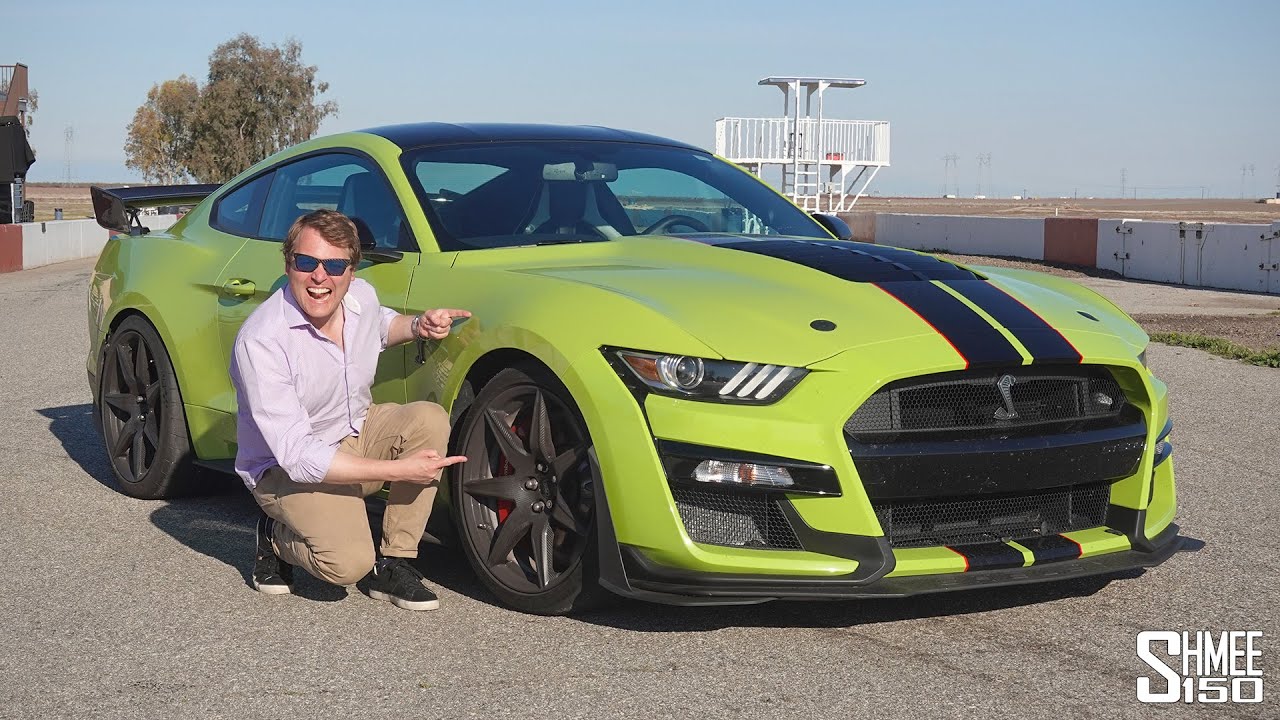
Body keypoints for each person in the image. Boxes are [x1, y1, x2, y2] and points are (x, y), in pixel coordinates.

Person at [230, 209, 470, 611]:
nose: (320, 277)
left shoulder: (361, 298)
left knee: (428, 419)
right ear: (288, 264)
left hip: (353, 430)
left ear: (352, 271)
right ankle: (276, 535)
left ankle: (395, 563)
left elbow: (379, 326)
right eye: (306, 262)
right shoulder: (261, 341)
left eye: (335, 265)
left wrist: (417, 327)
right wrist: (399, 471)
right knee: (346, 565)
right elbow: (300, 457)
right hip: (283, 470)